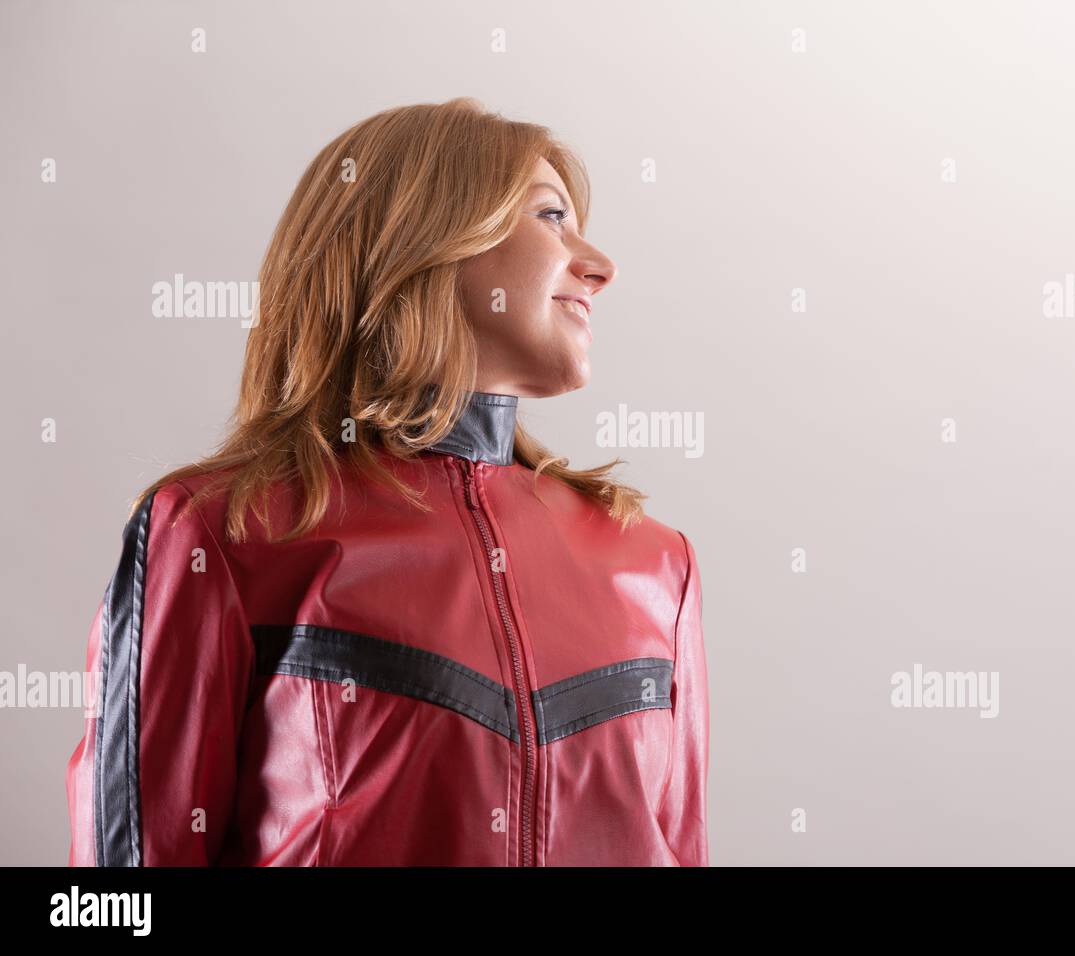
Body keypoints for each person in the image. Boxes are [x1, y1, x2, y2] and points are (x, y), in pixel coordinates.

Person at [65, 98, 708, 866]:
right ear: (428, 241)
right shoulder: (226, 532)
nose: (598, 265)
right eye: (550, 218)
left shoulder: (651, 563)